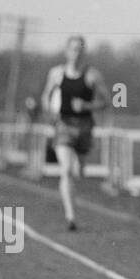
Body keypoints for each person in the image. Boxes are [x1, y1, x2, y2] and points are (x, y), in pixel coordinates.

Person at [41, 35, 107, 231]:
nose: (75, 53)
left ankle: (71, 206)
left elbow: (106, 101)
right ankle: (70, 216)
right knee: (66, 170)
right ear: (66, 51)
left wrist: (87, 105)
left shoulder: (92, 75)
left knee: (78, 172)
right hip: (63, 125)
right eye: (72, 49)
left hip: (85, 126)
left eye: (79, 49)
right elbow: (46, 95)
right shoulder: (57, 74)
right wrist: (50, 111)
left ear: (83, 52)